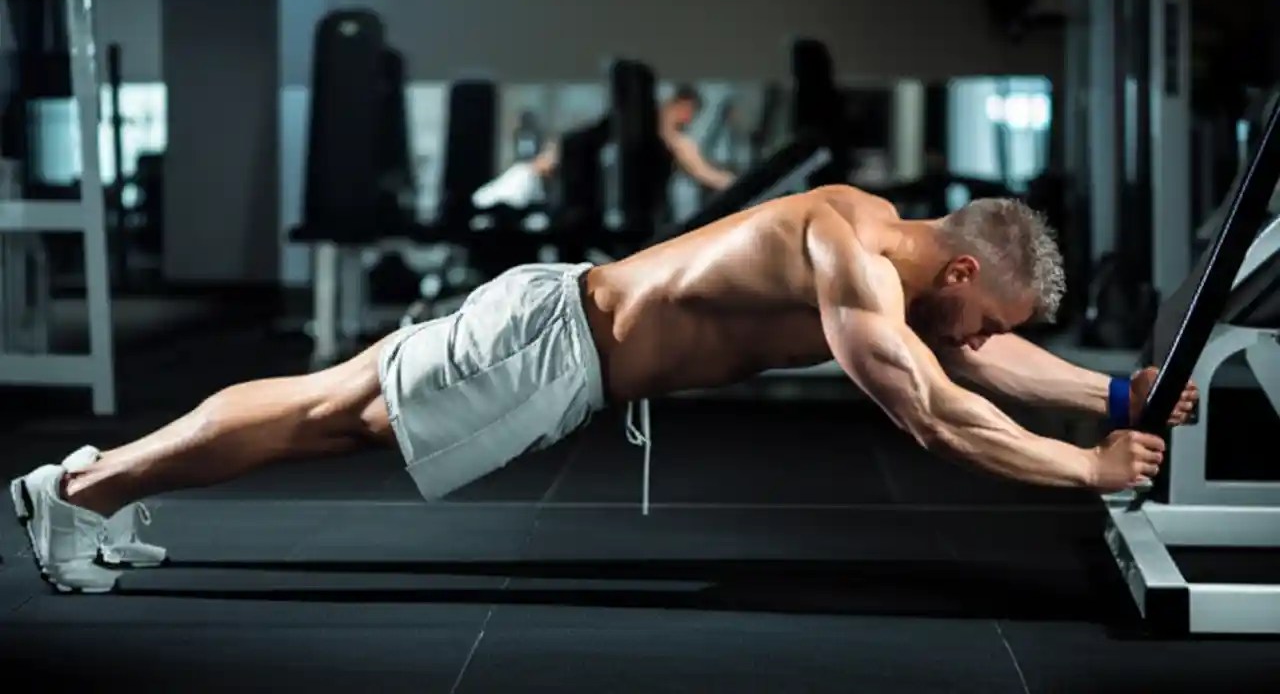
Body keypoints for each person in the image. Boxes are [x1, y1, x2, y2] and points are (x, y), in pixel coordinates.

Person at [10, 185, 1199, 593]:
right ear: (956, 270)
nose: (979, 337)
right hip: (551, 347)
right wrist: (1083, 471)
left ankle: (88, 494)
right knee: (323, 420)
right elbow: (931, 409)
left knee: (326, 408)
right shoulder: (842, 256)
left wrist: (1106, 398)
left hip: (554, 328)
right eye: (981, 311)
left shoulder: (885, 246)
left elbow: (973, 360)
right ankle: (85, 488)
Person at [471, 84, 735, 209]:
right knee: (493, 196)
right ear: (679, 105)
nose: (689, 119)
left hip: (610, 206)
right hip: (544, 185)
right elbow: (703, 173)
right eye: (689, 112)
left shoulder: (671, 139)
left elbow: (702, 173)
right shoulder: (647, 128)